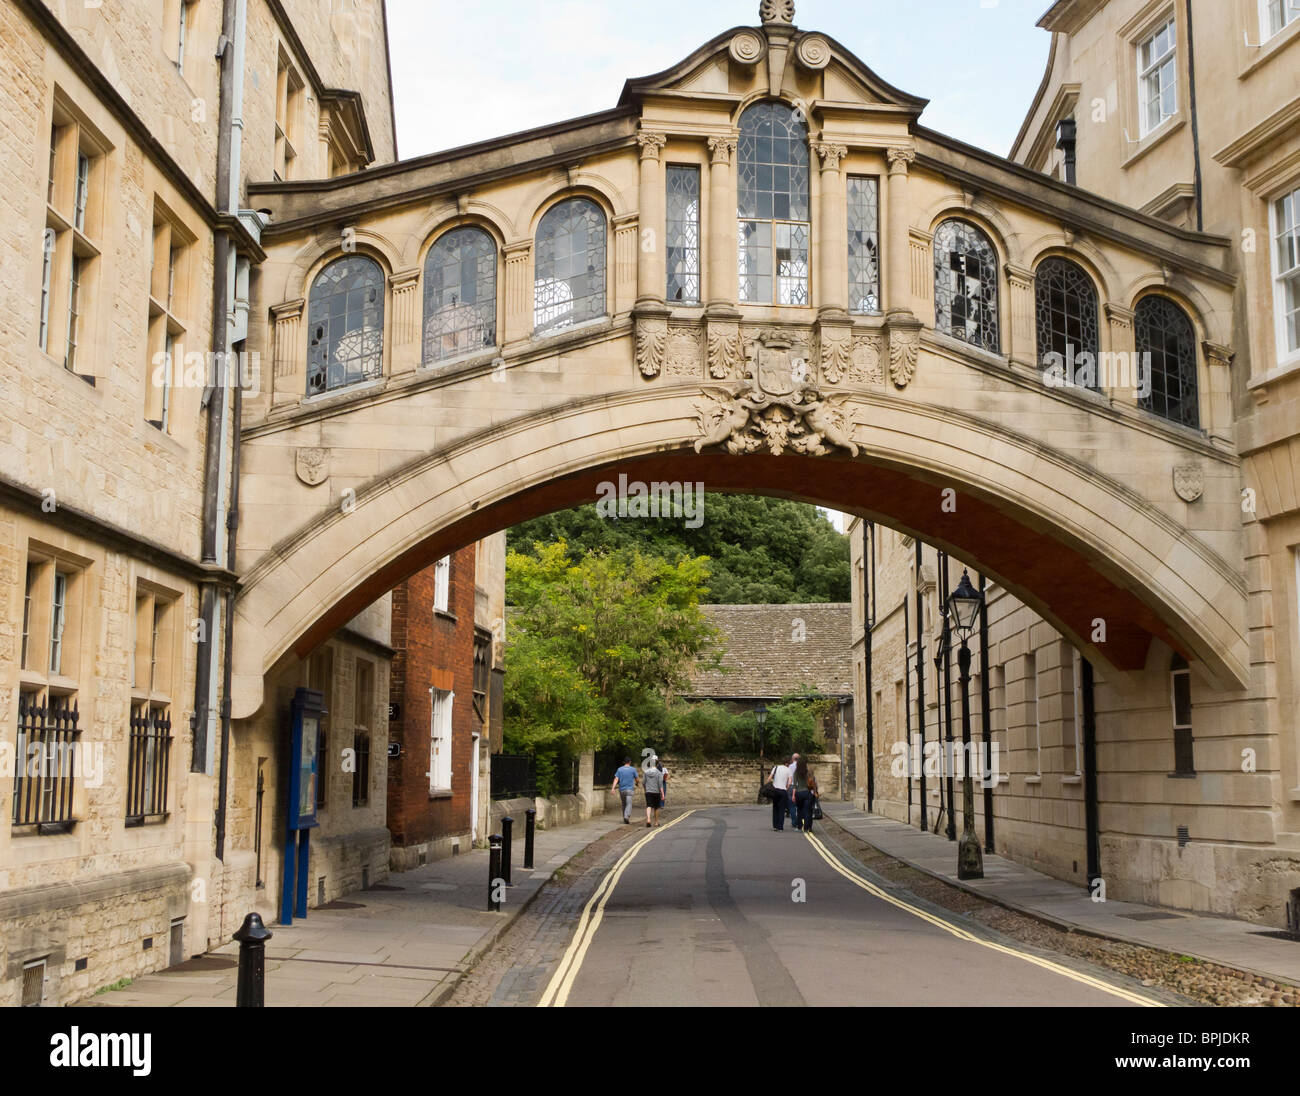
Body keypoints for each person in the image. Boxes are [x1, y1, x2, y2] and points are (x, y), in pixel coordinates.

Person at [790, 757, 819, 833]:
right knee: (808, 811)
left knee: (799, 811)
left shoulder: (796, 772)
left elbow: (795, 785)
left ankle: (799, 827)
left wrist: (793, 795)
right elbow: (813, 783)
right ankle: (807, 828)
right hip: (808, 793)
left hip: (799, 793)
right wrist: (815, 792)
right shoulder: (809, 771)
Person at [611, 757, 640, 824]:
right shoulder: (633, 769)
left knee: (624, 804)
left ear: (624, 762)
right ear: (630, 762)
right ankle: (626, 816)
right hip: (629, 789)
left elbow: (616, 779)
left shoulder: (619, 769)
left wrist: (613, 788)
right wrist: (637, 783)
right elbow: (637, 779)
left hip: (622, 790)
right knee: (629, 804)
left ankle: (624, 817)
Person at [768, 756, 791, 831]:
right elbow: (789, 781)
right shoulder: (788, 770)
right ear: (787, 763)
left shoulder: (776, 767)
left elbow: (769, 778)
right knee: (782, 809)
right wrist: (786, 787)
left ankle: (775, 826)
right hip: (783, 791)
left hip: (775, 790)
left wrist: (768, 784)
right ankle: (780, 827)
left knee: (775, 808)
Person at [642, 758, 665, 827]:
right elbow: (660, 785)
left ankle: (648, 820)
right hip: (656, 792)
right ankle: (656, 822)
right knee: (656, 807)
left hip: (648, 791)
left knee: (648, 806)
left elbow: (643, 782)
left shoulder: (646, 772)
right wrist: (663, 794)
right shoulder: (659, 773)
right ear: (657, 764)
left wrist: (645, 789)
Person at [786, 752, 801, 828]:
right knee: (800, 806)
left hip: (791, 787)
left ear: (792, 759)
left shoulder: (790, 767)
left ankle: (794, 822)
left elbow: (789, 778)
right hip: (800, 787)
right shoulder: (801, 766)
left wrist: (787, 787)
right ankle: (799, 822)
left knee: (792, 806)